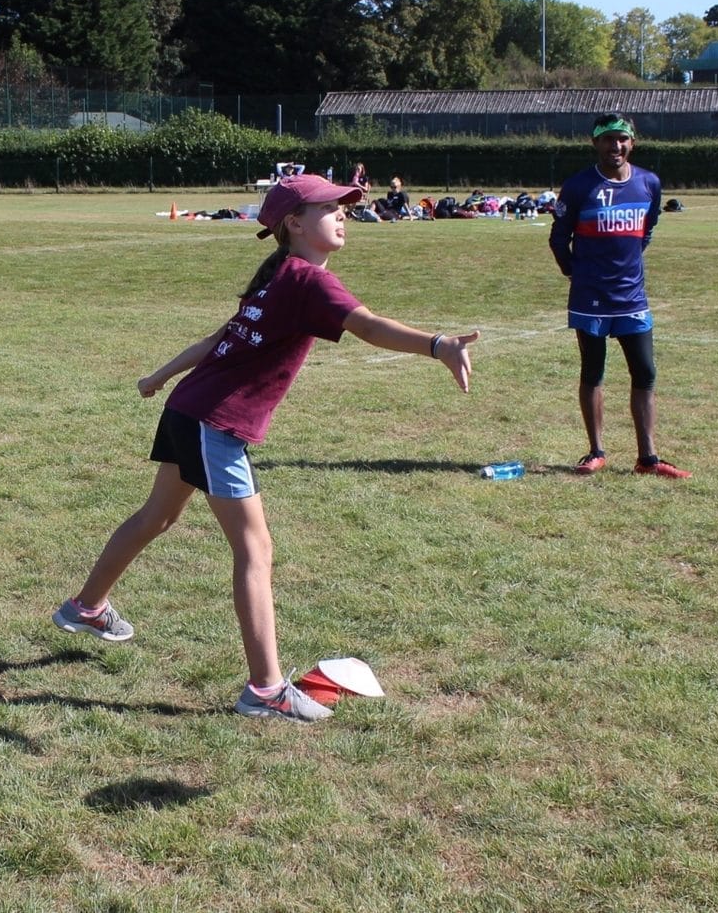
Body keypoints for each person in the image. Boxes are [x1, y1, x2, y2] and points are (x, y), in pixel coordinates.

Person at [52, 173, 478, 721]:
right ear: (295, 225)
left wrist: (159, 377)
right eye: (330, 208)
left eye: (343, 206)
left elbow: (218, 338)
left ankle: (86, 608)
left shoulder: (281, 275)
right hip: (214, 422)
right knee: (255, 551)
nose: (343, 214)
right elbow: (368, 327)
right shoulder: (304, 281)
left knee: (157, 517)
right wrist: (437, 345)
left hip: (190, 409)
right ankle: (267, 691)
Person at [549, 114, 689, 479]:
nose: (616, 146)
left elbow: (647, 229)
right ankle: (595, 452)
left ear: (633, 143)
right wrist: (576, 273)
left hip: (632, 297)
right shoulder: (579, 186)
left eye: (622, 139)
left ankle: (649, 458)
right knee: (593, 371)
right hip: (590, 297)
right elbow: (558, 237)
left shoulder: (649, 182)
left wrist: (626, 265)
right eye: (608, 140)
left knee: (645, 372)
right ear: (595, 143)